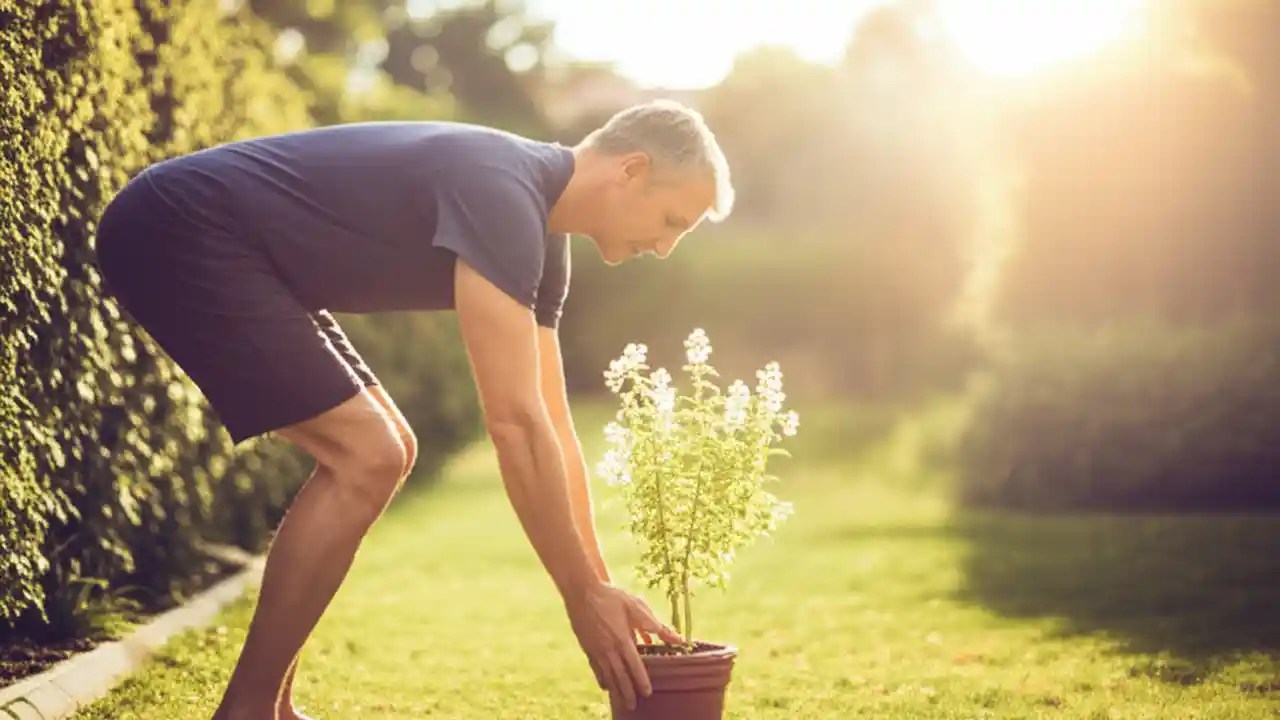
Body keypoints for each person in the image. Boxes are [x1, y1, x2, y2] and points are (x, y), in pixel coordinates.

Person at [94, 99, 734, 719]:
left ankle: (269, 707)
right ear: (631, 170)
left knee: (386, 450)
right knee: (367, 453)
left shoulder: (541, 231)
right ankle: (249, 711)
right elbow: (512, 424)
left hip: (246, 254)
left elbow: (552, 426)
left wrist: (600, 589)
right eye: (674, 221)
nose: (666, 247)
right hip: (178, 227)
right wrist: (579, 597)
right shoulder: (503, 192)